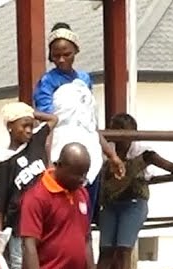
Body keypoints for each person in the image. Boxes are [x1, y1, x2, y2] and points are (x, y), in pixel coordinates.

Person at [32, 22, 124, 227]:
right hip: (62, 152)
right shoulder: (47, 82)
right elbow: (46, 123)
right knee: (64, 214)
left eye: (67, 54)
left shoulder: (84, 79)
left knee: (86, 216)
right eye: (56, 56)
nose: (62, 59)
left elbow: (90, 124)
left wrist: (112, 155)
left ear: (76, 51)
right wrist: (47, 161)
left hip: (90, 153)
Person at [96, 113, 173, 269]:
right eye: (115, 130)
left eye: (123, 131)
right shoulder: (106, 151)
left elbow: (168, 166)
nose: (120, 136)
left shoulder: (143, 152)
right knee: (106, 250)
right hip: (111, 203)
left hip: (133, 203)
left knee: (124, 248)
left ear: (132, 133)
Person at [0, 101, 57, 269]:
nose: (29, 130)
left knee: (46, 263)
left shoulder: (36, 142)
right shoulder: (5, 161)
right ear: (10, 126)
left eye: (31, 125)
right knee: (20, 268)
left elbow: (53, 119)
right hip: (19, 223)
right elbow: (1, 202)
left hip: (46, 219)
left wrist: (30, 112)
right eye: (24, 126)